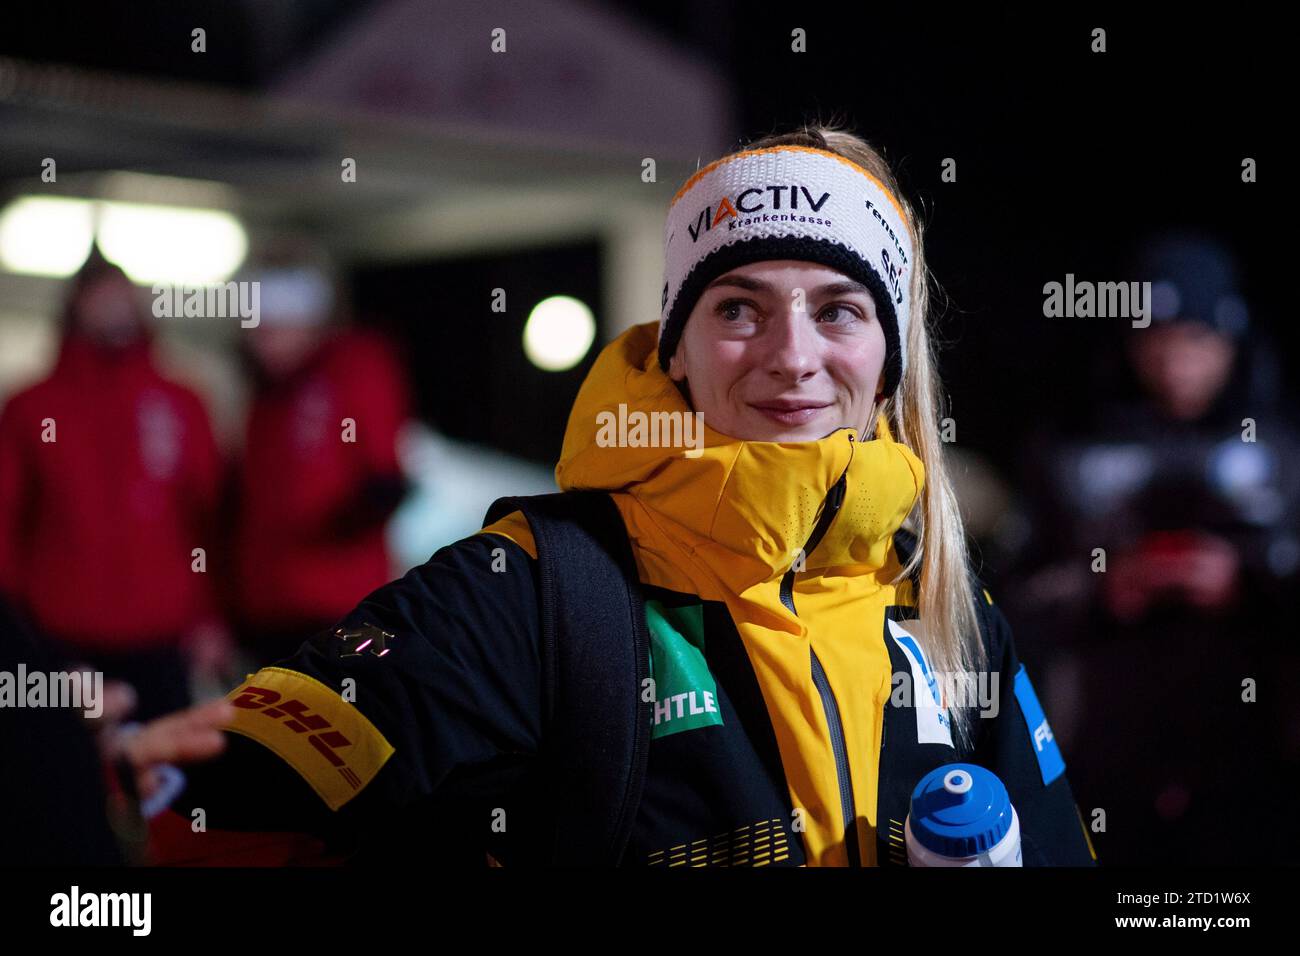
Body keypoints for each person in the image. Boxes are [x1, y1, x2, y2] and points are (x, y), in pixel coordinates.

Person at [131, 125, 1096, 867]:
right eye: (739, 309)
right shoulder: (545, 589)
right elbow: (241, 788)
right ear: (673, 346)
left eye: (838, 309)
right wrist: (146, 766)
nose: (792, 356)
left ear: (888, 358)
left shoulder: (949, 613)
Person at [0, 250, 226, 723]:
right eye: (98, 296)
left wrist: (210, 619)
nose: (112, 308)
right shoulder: (31, 408)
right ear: (74, 307)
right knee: (68, 783)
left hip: (163, 641)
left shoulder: (180, 402)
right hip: (60, 644)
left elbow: (211, 521)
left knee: (167, 780)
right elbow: (7, 524)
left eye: (120, 296)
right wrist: (18, 636)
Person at [227, 257, 411, 667]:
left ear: (306, 324)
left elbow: (385, 481)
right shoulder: (266, 398)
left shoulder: (354, 366)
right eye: (255, 332)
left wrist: (329, 529)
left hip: (346, 603)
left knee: (356, 714)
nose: (262, 344)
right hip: (271, 607)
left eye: (272, 331)